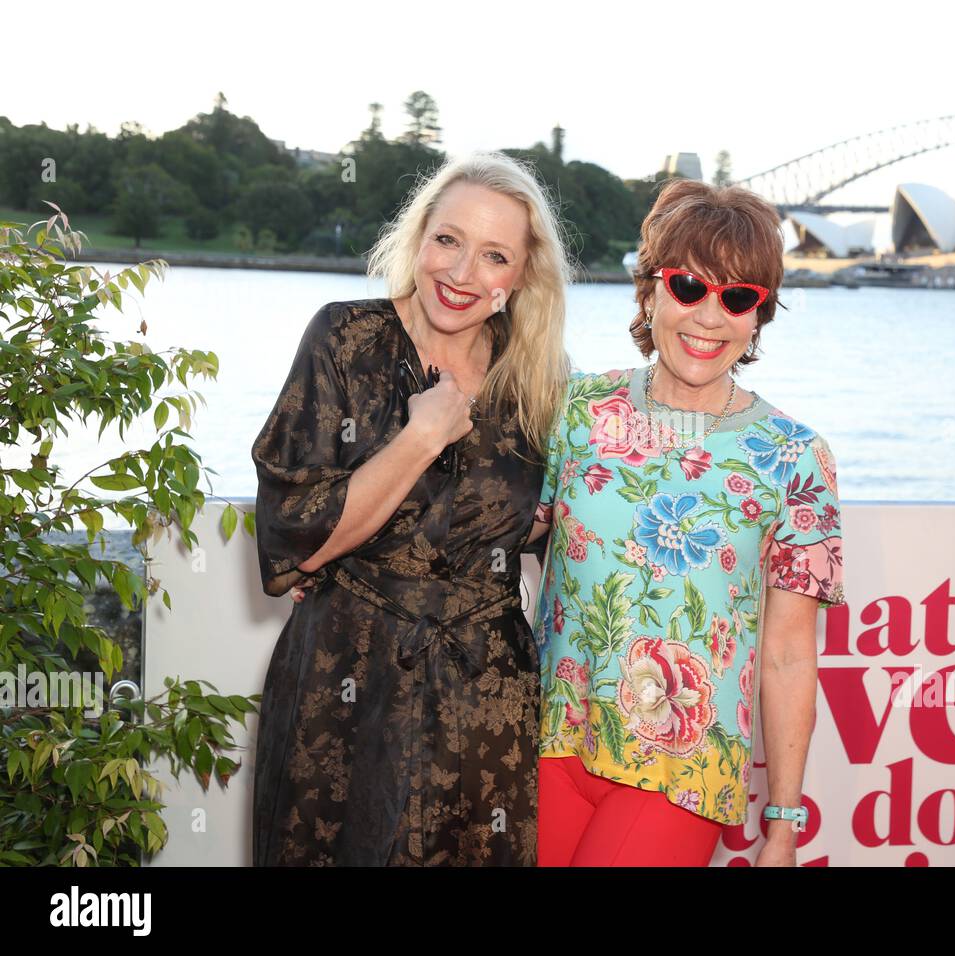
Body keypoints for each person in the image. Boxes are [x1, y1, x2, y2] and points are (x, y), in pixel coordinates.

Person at [251, 151, 569, 866]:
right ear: (419, 236)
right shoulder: (342, 339)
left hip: (485, 697)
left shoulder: (542, 381)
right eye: (448, 240)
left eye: (494, 255)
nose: (460, 274)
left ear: (521, 276)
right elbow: (295, 535)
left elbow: (559, 525)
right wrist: (421, 436)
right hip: (342, 686)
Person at [529, 179, 846, 866]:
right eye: (688, 286)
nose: (709, 316)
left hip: (683, 771)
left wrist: (783, 826)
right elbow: (490, 531)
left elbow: (789, 654)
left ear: (758, 316)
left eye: (738, 298)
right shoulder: (577, 409)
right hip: (548, 743)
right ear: (650, 291)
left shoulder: (794, 458)